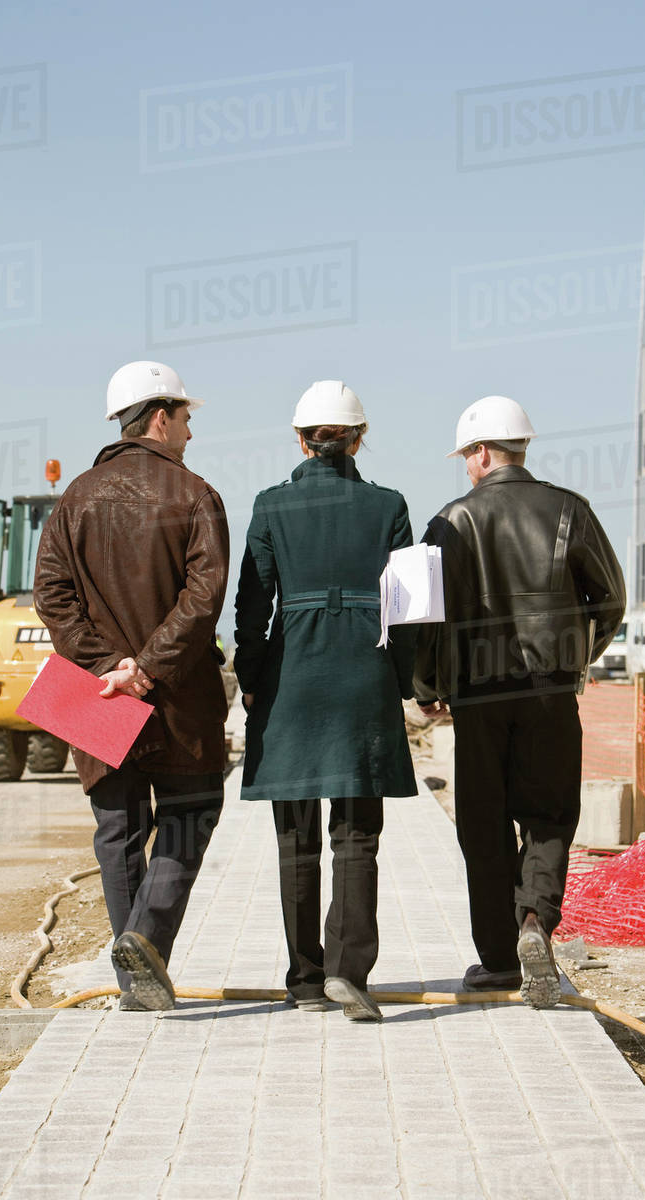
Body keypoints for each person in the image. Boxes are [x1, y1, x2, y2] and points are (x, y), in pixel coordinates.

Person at [415, 396, 625, 1008]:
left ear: (482, 452)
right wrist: (576, 656)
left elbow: (425, 619)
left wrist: (429, 687)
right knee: (549, 814)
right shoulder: (570, 510)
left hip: (478, 698)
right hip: (551, 691)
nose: (467, 466)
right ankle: (535, 921)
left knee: (483, 823)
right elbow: (610, 600)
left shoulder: (450, 522)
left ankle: (500, 962)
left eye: (467, 455)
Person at [34, 360, 229, 1011]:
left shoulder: (75, 497)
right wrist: (144, 668)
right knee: (192, 813)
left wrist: (105, 667)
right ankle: (145, 942)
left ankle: (134, 982)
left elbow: (51, 595)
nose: (190, 433)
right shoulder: (195, 495)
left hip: (94, 695)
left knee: (117, 831)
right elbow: (204, 599)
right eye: (186, 418)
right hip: (179, 696)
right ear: (161, 417)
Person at [234, 380, 416, 1022]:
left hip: (292, 680)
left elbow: (252, 603)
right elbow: (407, 607)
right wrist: (405, 684)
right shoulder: (389, 505)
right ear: (359, 438)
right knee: (357, 836)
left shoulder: (271, 505)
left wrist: (251, 676)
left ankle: (306, 980)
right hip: (364, 678)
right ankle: (350, 973)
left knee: (296, 840)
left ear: (300, 439)